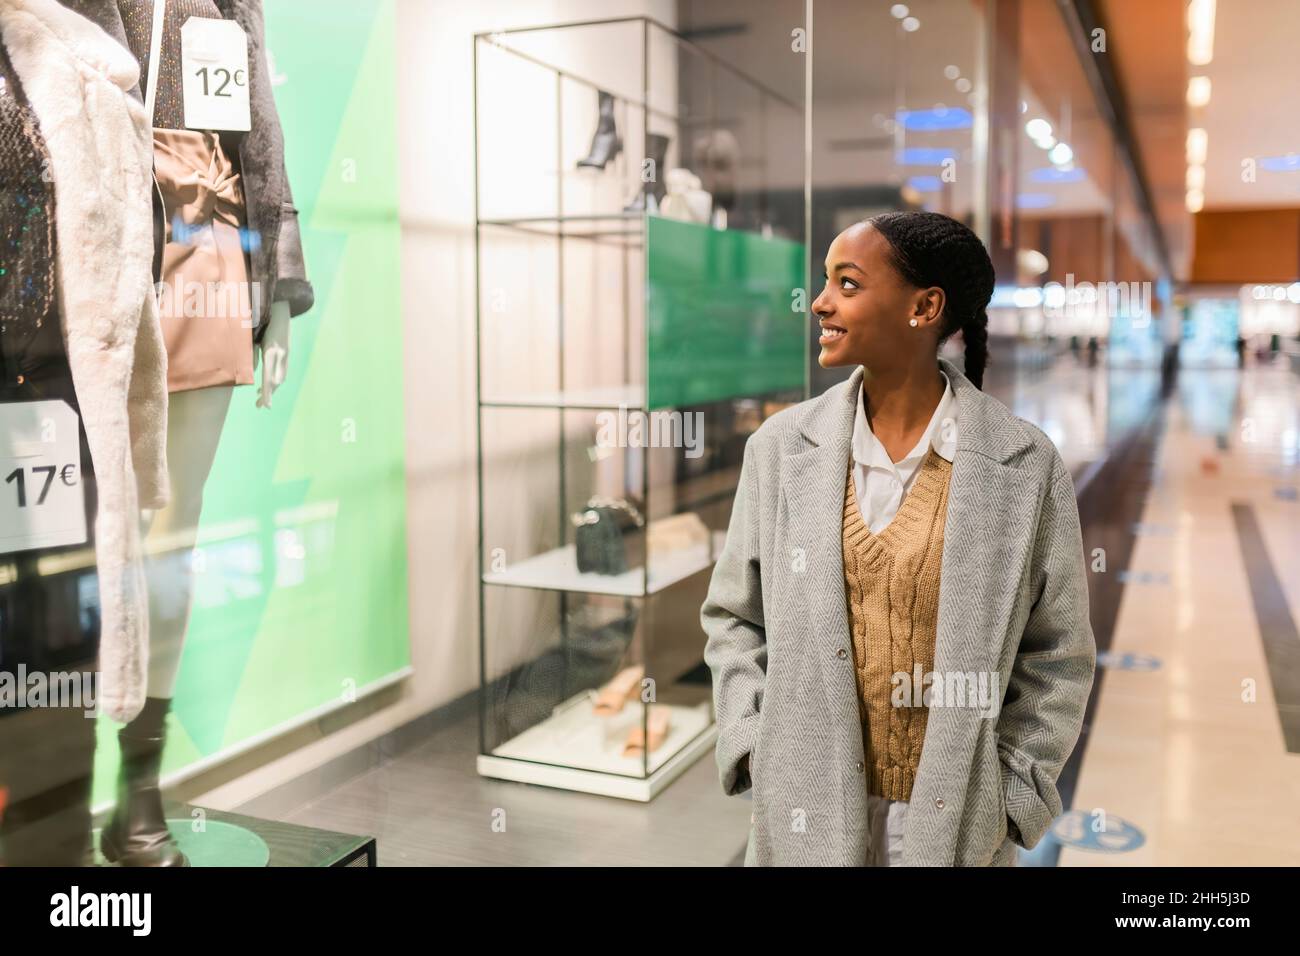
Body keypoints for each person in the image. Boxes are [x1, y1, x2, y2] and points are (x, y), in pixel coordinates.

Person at [701, 211, 1095, 866]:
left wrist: (1015, 792)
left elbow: (1058, 652)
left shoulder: (1024, 464)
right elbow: (735, 617)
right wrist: (753, 745)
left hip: (955, 819)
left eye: (847, 284)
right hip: (807, 809)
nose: (820, 303)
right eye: (825, 283)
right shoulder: (779, 450)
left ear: (925, 306)